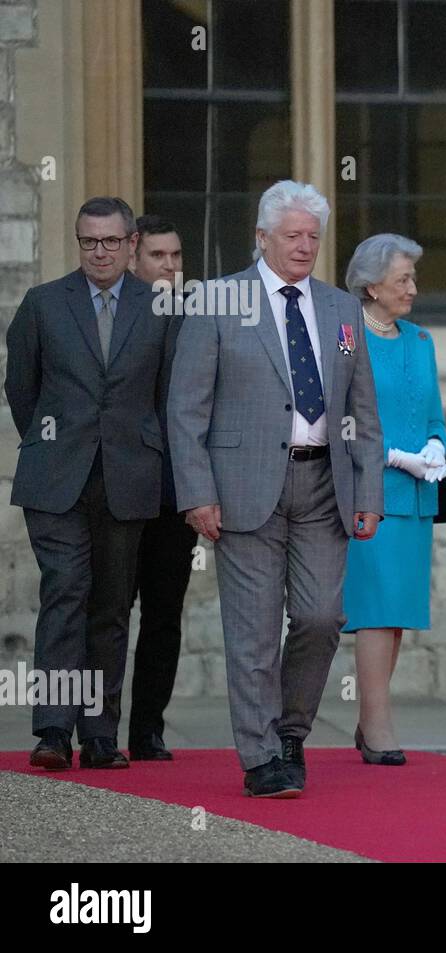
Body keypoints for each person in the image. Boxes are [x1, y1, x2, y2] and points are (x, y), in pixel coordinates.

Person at [168, 180, 384, 798]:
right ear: (262, 238)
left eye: (313, 237)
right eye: (292, 236)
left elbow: (363, 409)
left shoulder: (342, 309)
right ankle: (262, 758)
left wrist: (370, 491)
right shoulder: (216, 301)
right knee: (254, 632)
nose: (304, 246)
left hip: (325, 484)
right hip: (243, 488)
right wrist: (196, 491)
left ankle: (291, 733)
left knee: (320, 617)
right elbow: (186, 408)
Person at [4, 196, 168, 770]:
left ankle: (100, 735)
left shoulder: (161, 308)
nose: (98, 251)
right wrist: (55, 443)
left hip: (128, 477)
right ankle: (53, 731)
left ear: (130, 245)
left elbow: (168, 397)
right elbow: (21, 387)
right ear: (79, 244)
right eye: (87, 241)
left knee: (111, 606)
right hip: (56, 479)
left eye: (109, 241)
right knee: (64, 592)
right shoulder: (44, 304)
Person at [340, 234, 446, 766]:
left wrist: (434, 446)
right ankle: (378, 726)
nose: (413, 288)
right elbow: (339, 419)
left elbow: (434, 416)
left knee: (398, 613)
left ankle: (369, 722)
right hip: (369, 491)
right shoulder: (346, 337)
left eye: (412, 277)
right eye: (402, 279)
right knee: (374, 611)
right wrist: (393, 456)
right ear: (370, 284)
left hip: (416, 497)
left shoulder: (421, 340)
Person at [126, 214, 194, 761]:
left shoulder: (198, 318)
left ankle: (148, 729)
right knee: (104, 611)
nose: (170, 266)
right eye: (158, 256)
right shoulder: (113, 316)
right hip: (117, 492)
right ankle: (92, 728)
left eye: (176, 256)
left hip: (175, 494)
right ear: (132, 258)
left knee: (163, 616)